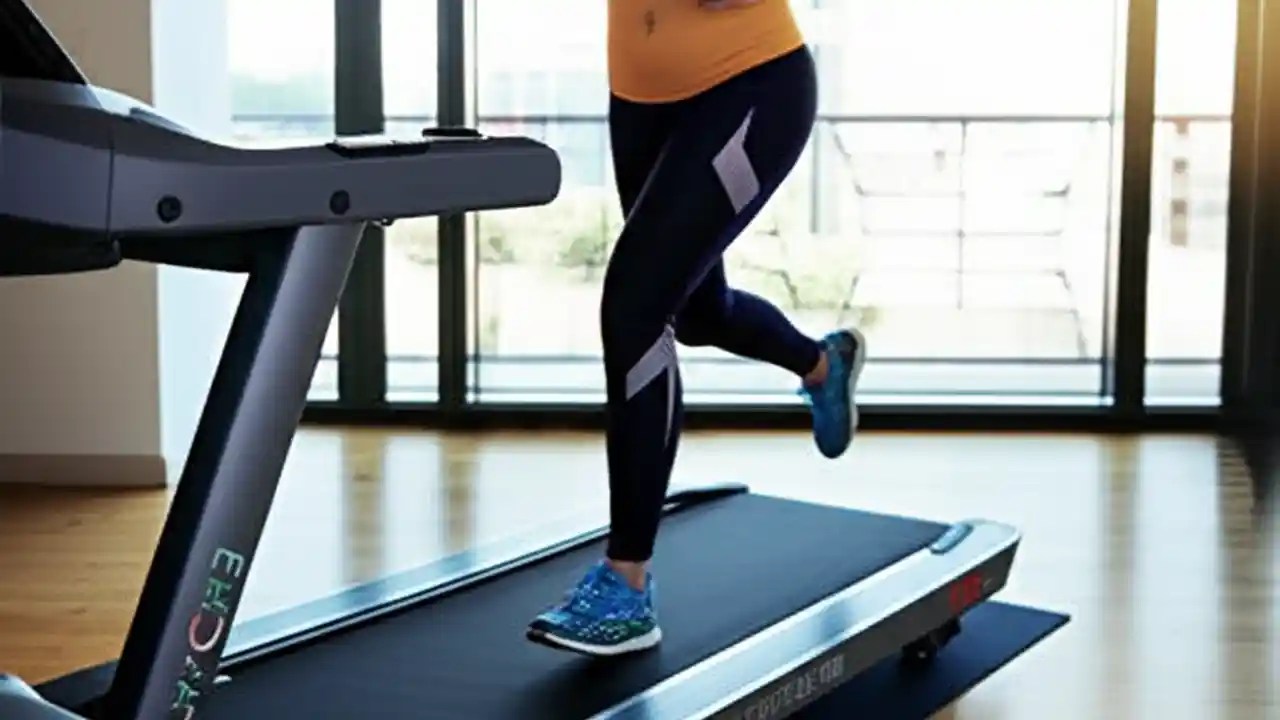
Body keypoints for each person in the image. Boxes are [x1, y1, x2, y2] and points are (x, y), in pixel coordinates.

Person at [526, 0, 866, 656]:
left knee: (635, 307)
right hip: (639, 100)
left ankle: (626, 584)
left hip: (750, 88)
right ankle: (822, 364)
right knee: (694, 310)